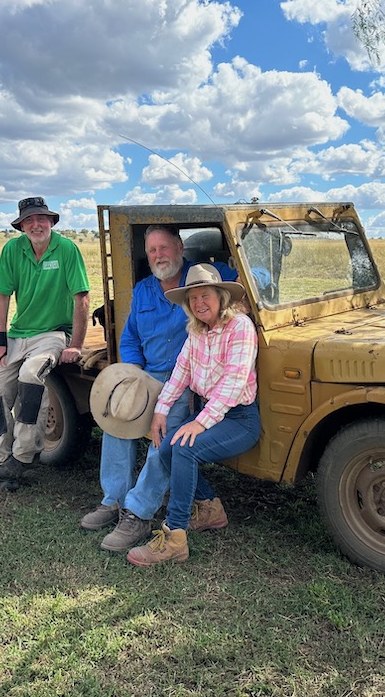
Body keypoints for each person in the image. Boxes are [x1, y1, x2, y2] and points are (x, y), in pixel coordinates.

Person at [80, 225, 238, 552]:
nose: (158, 255)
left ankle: (138, 513)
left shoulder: (200, 279)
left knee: (164, 432)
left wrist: (245, 299)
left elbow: (246, 278)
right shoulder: (143, 290)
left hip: (187, 381)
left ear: (180, 247)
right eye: (152, 250)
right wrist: (133, 377)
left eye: (164, 248)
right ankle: (113, 499)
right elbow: (131, 338)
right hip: (149, 374)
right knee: (117, 415)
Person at [127, 263, 260, 566]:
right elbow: (180, 374)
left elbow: (234, 382)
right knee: (164, 450)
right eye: (194, 298)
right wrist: (161, 411)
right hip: (209, 412)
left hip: (239, 418)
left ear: (221, 297)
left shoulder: (239, 326)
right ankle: (211, 509)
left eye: (206, 296)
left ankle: (175, 537)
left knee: (184, 449)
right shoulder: (196, 331)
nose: (200, 303)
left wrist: (200, 423)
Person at [0, 196, 90, 490]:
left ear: (51, 222)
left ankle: (23, 455)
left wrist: (76, 345)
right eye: (29, 220)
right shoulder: (12, 250)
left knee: (31, 375)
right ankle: (0, 462)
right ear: (22, 226)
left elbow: (82, 298)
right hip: (18, 335)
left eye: (41, 218)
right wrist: (0, 342)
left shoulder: (66, 249)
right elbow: (2, 295)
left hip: (52, 335)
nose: (36, 224)